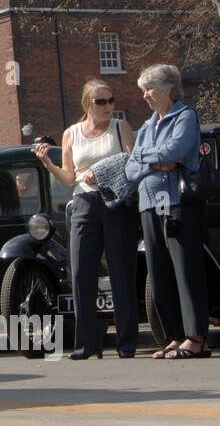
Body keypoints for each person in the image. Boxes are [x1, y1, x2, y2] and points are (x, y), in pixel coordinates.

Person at [34, 81, 136, 359]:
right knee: (80, 272)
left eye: (111, 101)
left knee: (121, 271)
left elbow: (132, 161)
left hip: (115, 201)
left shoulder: (120, 128)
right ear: (88, 105)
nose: (108, 107)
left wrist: (100, 171)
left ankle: (126, 343)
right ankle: (86, 344)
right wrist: (49, 165)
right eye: (101, 102)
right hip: (84, 201)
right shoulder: (71, 134)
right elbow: (70, 176)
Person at [124, 63, 209, 359]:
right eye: (143, 90)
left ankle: (195, 338)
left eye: (150, 89)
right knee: (159, 275)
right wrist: (153, 160)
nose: (145, 95)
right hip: (149, 204)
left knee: (186, 271)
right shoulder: (147, 126)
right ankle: (174, 336)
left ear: (168, 89)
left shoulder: (185, 116)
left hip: (177, 203)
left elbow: (175, 152)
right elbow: (131, 168)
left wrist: (146, 158)